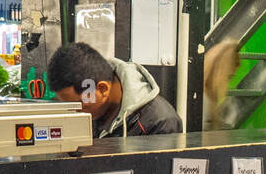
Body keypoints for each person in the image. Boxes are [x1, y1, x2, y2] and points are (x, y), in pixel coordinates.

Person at [47, 42, 182, 138]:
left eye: (77, 105)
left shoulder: (161, 122)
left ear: (102, 89)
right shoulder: (95, 112)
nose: (74, 112)